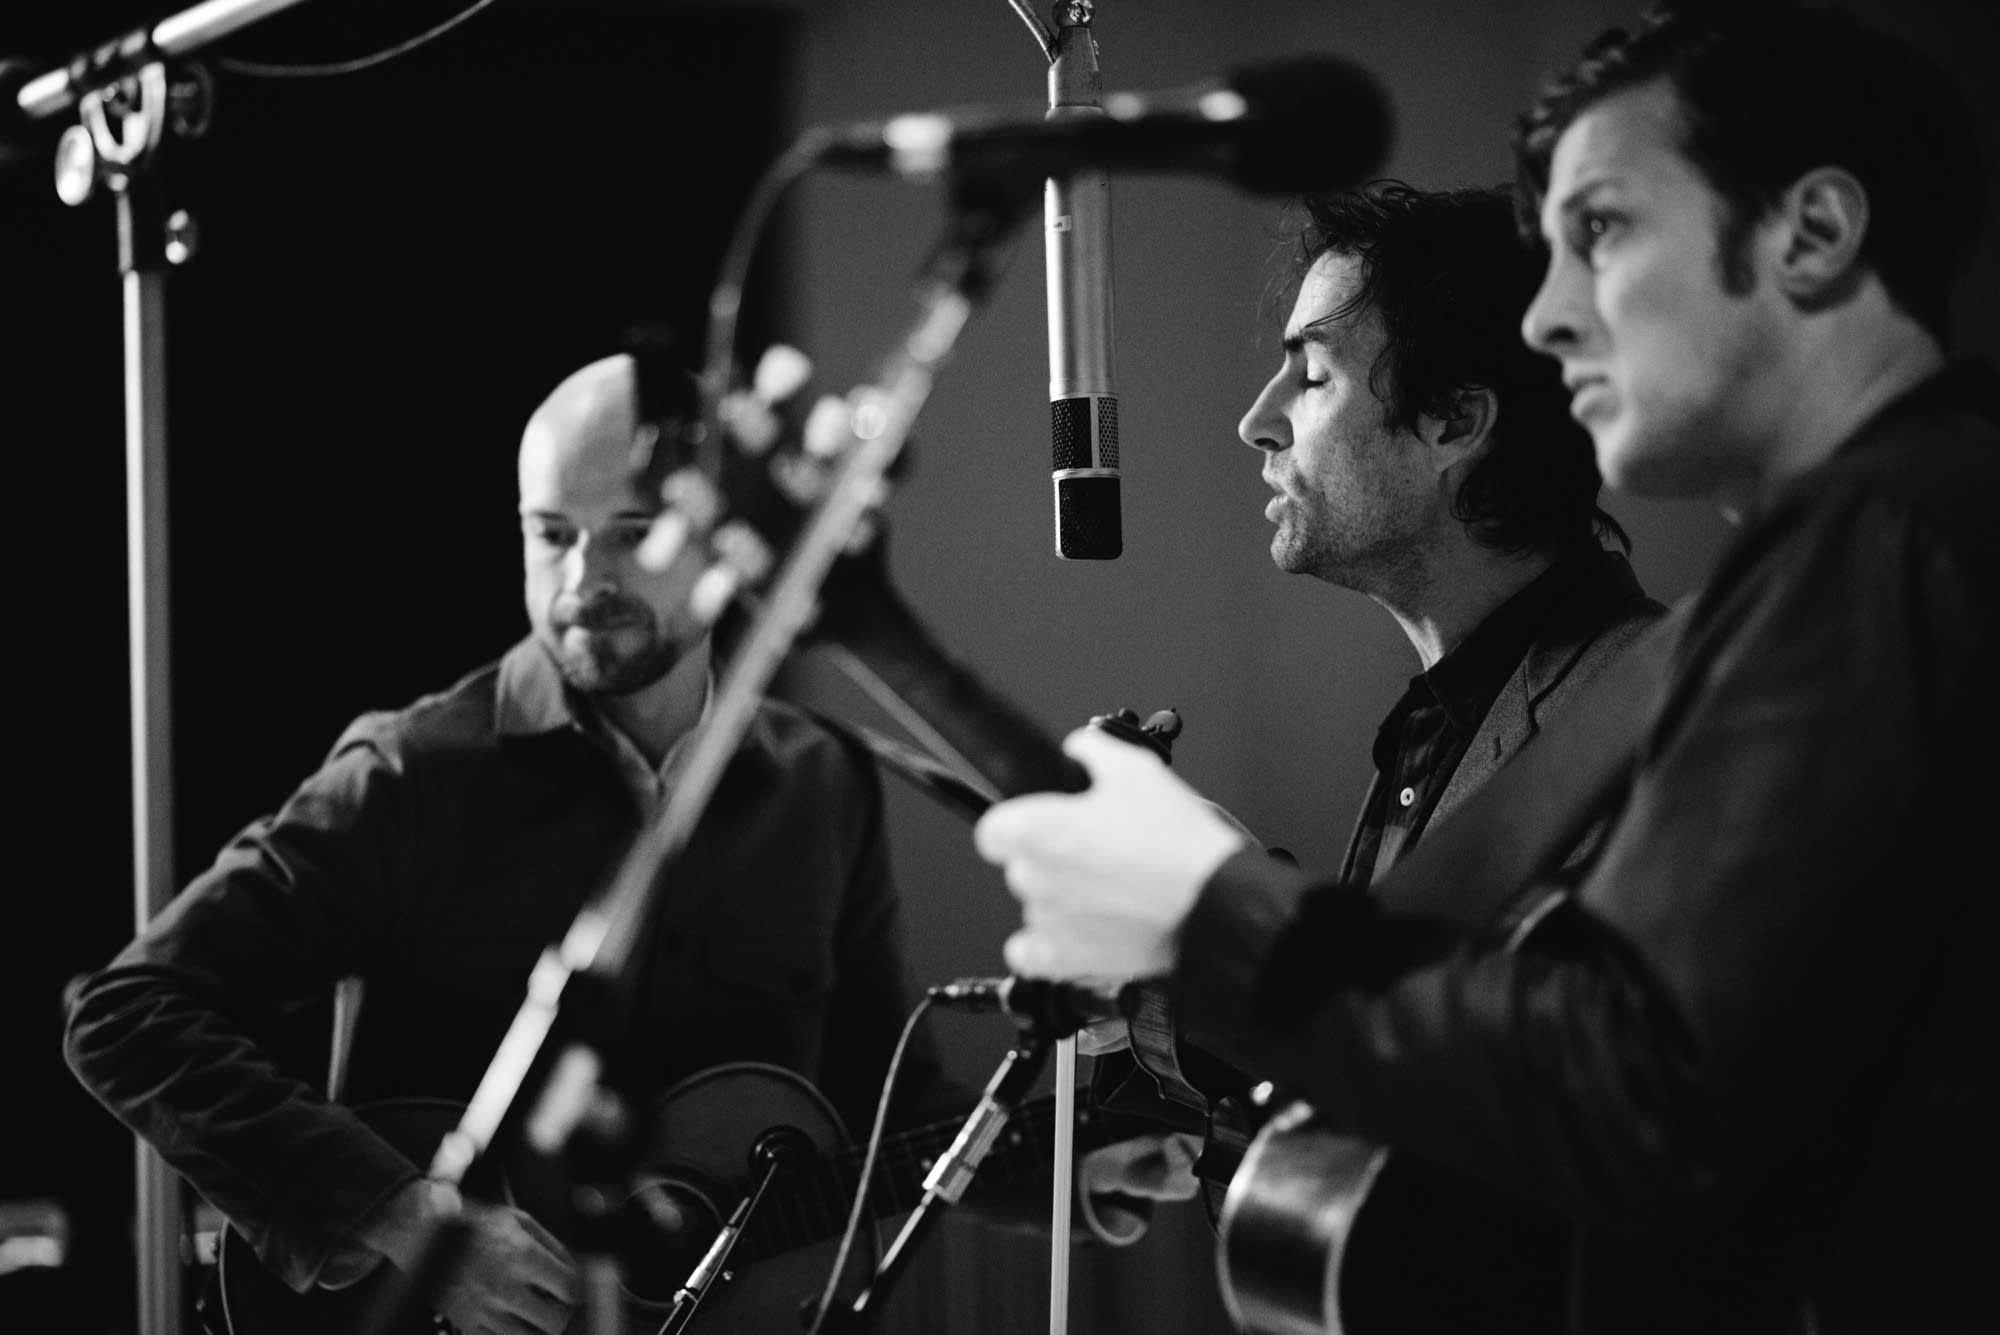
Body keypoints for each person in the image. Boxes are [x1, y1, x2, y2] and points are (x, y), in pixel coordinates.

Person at [975, 2, 1998, 1331]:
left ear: (1812, 233)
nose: (1555, 314)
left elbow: (1629, 1101)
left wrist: (1205, 913)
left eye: (1603, 233)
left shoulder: (1878, 538)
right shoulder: (1918, 520)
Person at [64, 353, 951, 1335]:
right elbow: (129, 1014)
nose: (583, 579)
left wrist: (1076, 1162)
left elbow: (891, 1107)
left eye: (632, 534)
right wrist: (406, 1217)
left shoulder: (822, 782)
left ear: (726, 543)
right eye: (551, 534)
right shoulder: (412, 772)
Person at [1092, 181, 1662, 1323]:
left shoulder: (1640, 717)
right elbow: (1365, 1179)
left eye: (1308, 374)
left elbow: (1534, 1204)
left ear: (1454, 420)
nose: (1255, 420)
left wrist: (1223, 929)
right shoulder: (1437, 726)